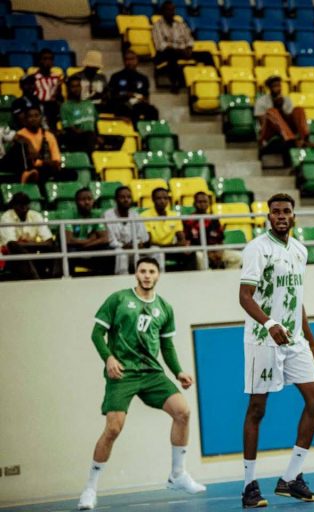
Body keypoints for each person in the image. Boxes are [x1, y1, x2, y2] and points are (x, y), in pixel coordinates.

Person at [76, 257, 206, 510]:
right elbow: (96, 334)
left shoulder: (165, 307)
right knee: (113, 428)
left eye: (151, 271)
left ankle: (177, 474)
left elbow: (167, 346)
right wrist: (108, 358)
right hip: (122, 373)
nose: (147, 275)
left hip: (151, 373)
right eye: (143, 271)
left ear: (158, 275)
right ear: (136, 274)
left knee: (183, 412)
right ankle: (90, 488)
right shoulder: (118, 299)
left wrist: (178, 371)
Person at [239, 193, 314, 507]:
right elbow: (244, 296)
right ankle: (249, 486)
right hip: (263, 339)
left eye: (286, 211)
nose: (280, 215)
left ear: (293, 216)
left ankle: (290, 478)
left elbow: (297, 298)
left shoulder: (300, 250)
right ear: (268, 216)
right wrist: (268, 323)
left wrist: (312, 341)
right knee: (257, 409)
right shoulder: (257, 249)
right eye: (275, 211)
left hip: (294, 340)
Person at [0, 105, 75, 188]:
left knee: (71, 173)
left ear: (41, 118)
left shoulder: (49, 136)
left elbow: (56, 162)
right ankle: (27, 174)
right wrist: (30, 147)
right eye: (30, 116)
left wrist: (41, 159)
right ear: (25, 120)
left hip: (44, 167)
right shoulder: (20, 134)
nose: (34, 119)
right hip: (27, 167)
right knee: (37, 170)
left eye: (36, 116)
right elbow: (24, 158)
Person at [152, 0, 214, 93]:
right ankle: (175, 83)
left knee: (206, 55)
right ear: (163, 11)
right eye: (168, 10)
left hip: (183, 51)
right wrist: (179, 50)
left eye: (173, 10)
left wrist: (189, 48)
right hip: (165, 53)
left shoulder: (180, 24)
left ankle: (212, 78)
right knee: (172, 54)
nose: (171, 12)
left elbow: (189, 39)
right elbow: (160, 45)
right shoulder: (157, 26)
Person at [0, 191, 59, 279]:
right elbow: (11, 245)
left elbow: (49, 241)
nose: (24, 207)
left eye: (26, 204)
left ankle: (55, 278)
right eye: (20, 205)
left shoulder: (36, 215)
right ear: (13, 206)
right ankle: (35, 279)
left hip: (34, 251)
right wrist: (34, 244)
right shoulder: (6, 217)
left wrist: (25, 243)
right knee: (16, 248)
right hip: (11, 256)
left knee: (55, 246)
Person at [254, 76, 313, 160]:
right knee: (272, 112)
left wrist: (281, 108)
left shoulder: (286, 100)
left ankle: (305, 138)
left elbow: (290, 120)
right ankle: (291, 139)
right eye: (274, 86)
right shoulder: (261, 101)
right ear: (269, 88)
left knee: (299, 110)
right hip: (268, 132)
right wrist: (276, 108)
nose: (277, 88)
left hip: (286, 130)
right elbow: (263, 123)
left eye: (279, 86)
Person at [182, 191, 241, 270]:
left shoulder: (214, 219)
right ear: (194, 204)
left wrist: (220, 251)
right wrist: (208, 253)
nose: (202, 204)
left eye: (205, 202)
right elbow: (188, 241)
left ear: (208, 204)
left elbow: (220, 239)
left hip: (215, 250)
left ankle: (228, 276)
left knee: (237, 257)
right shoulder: (188, 221)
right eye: (200, 202)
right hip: (200, 251)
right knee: (199, 257)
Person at [141, 187, 193, 271]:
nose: (162, 201)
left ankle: (188, 276)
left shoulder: (174, 215)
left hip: (170, 248)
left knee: (190, 251)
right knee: (157, 251)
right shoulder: (145, 216)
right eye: (159, 198)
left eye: (165, 198)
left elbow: (181, 237)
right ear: (153, 200)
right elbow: (148, 243)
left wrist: (183, 243)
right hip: (153, 249)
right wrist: (173, 245)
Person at [66, 187, 113, 276]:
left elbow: (105, 238)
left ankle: (106, 277)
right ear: (76, 202)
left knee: (109, 250)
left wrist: (86, 244)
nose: (87, 202)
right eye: (83, 199)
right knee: (69, 251)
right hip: (74, 248)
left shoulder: (96, 215)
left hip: (89, 246)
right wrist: (90, 240)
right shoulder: (69, 215)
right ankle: (71, 277)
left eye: (89, 199)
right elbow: (68, 240)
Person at [103, 186, 150, 275]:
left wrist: (135, 244)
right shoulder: (108, 215)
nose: (126, 200)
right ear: (116, 200)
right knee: (122, 254)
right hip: (117, 250)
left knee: (156, 251)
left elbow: (143, 237)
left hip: (134, 248)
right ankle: (122, 279)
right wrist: (123, 246)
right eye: (122, 197)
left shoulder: (135, 214)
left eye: (128, 197)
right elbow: (110, 239)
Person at [109, 49, 159, 125]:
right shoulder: (116, 77)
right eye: (127, 59)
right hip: (122, 105)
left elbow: (146, 97)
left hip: (138, 106)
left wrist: (141, 99)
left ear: (137, 60)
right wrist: (126, 95)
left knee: (152, 110)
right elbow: (111, 96)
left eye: (132, 59)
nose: (129, 62)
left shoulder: (143, 78)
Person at [59, 76, 100, 154]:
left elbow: (95, 124)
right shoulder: (65, 106)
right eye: (73, 87)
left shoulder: (89, 104)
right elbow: (70, 128)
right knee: (89, 137)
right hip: (77, 140)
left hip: (92, 138)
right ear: (69, 89)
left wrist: (97, 136)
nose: (76, 89)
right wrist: (90, 136)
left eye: (78, 86)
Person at [32, 48, 64, 130]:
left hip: (54, 109)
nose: (48, 61)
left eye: (50, 59)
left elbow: (60, 96)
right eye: (45, 59)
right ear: (40, 61)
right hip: (39, 107)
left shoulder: (56, 77)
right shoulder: (34, 78)